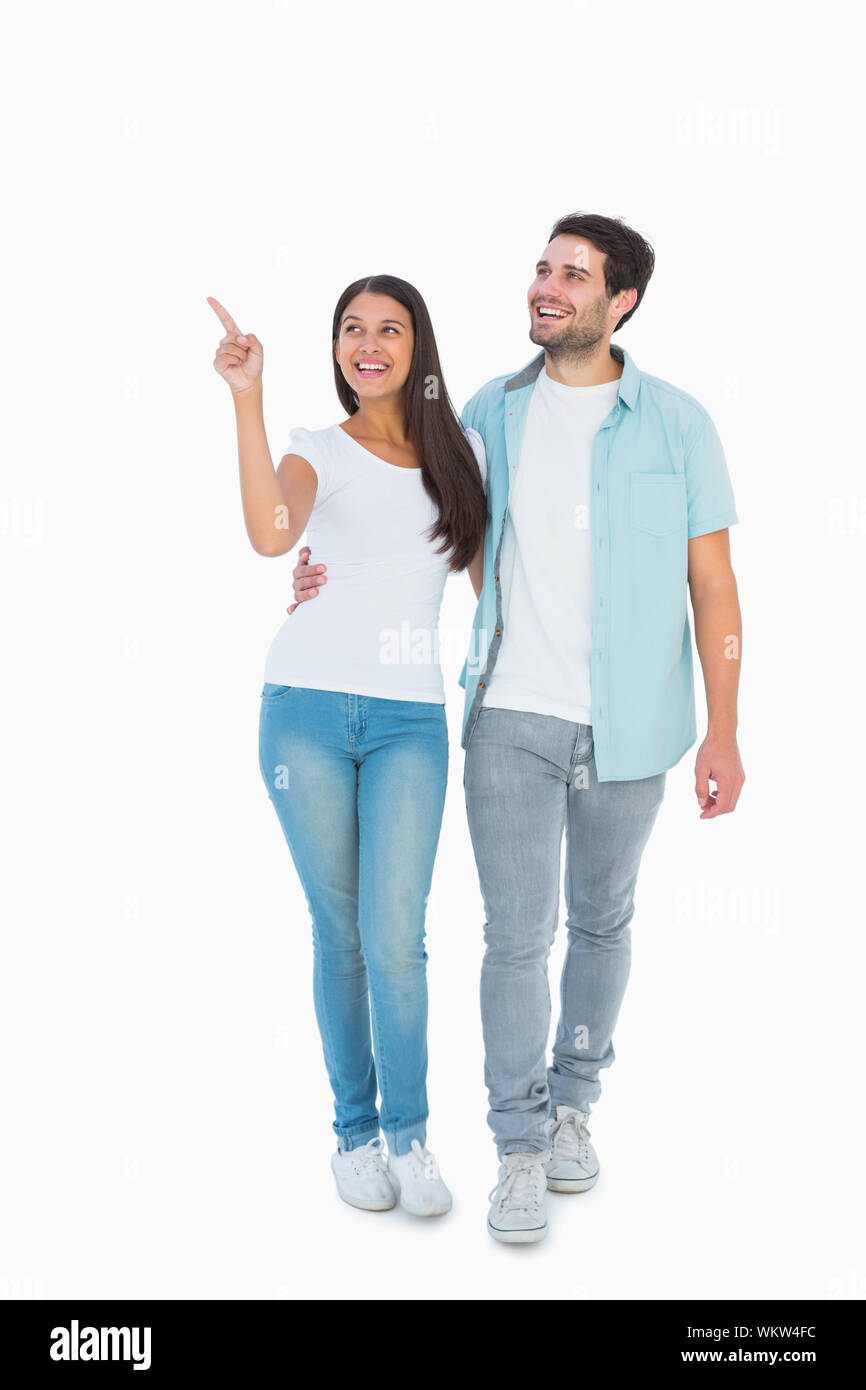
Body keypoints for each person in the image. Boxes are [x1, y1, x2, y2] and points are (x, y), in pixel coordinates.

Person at [289, 213, 744, 1245]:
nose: (545, 285)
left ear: (618, 300)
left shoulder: (678, 423)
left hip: (637, 725)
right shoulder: (486, 411)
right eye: (541, 267)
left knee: (602, 922)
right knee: (512, 938)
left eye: (570, 274)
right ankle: (519, 1148)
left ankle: (573, 1100)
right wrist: (315, 566)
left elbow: (710, 585)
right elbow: (406, 498)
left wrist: (721, 731)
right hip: (507, 715)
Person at [207, 275, 487, 1219]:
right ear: (335, 351)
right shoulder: (315, 449)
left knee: (396, 938)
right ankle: (354, 1135)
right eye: (352, 330)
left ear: (419, 346)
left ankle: (411, 1137)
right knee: (343, 938)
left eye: (390, 329)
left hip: (411, 718)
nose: (370, 344)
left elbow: (499, 588)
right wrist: (247, 400)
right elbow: (269, 534)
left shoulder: (466, 454)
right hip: (307, 711)